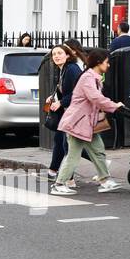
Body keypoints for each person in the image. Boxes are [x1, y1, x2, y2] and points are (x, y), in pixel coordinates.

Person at [51, 48, 123, 195]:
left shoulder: (93, 77)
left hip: (88, 123)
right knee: (73, 154)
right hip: (78, 123)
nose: (108, 65)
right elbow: (95, 97)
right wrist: (114, 106)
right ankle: (59, 184)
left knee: (98, 151)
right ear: (98, 62)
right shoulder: (88, 78)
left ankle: (105, 180)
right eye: (106, 62)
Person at [44, 45, 83, 183]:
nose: (56, 56)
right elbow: (64, 89)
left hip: (76, 112)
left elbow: (79, 91)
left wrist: (61, 102)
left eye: (60, 53)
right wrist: (54, 96)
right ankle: (55, 171)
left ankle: (67, 177)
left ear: (67, 55)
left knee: (69, 144)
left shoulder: (72, 69)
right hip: (67, 112)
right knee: (61, 140)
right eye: (54, 54)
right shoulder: (62, 69)